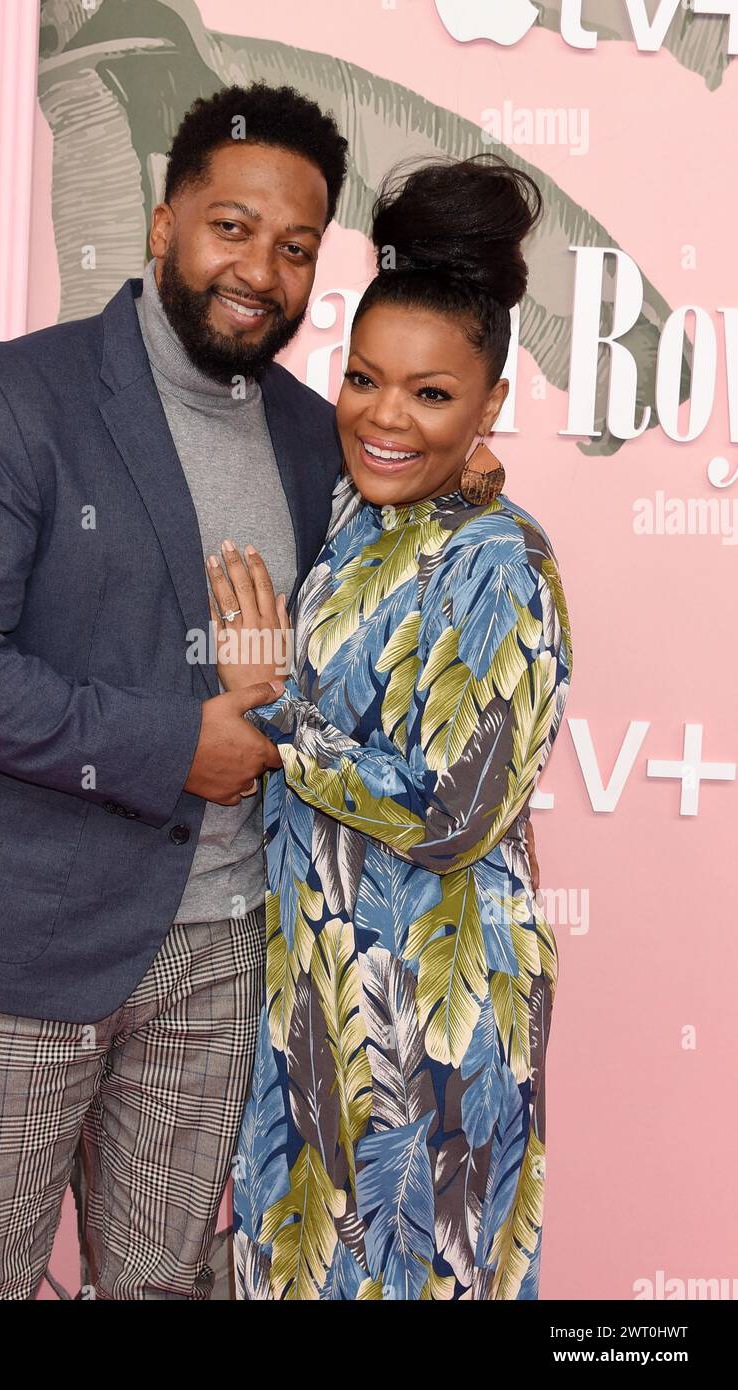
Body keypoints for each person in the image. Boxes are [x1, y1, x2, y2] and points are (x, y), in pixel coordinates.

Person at [0, 82, 350, 1299]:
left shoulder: (314, 438)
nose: (261, 271)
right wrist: (172, 745)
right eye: (232, 227)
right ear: (162, 221)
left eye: (296, 247)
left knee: (162, 1281)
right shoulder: (13, 395)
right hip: (21, 941)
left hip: (225, 948)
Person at [210, 153, 573, 1299]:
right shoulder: (357, 519)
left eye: (431, 395)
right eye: (365, 379)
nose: (384, 417)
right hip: (315, 995)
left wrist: (275, 708)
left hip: (433, 1019)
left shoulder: (502, 559)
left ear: (489, 406)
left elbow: (456, 811)